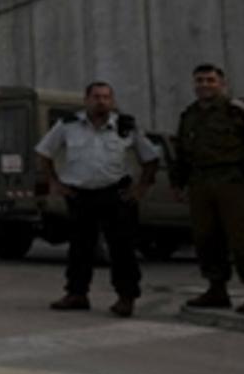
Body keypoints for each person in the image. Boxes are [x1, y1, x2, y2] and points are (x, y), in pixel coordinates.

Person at [34, 82, 160, 316]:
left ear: (112, 101)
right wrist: (55, 183)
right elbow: (44, 152)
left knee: (122, 248)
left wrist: (141, 188)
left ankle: (126, 297)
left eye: (106, 97)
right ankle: (76, 294)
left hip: (116, 195)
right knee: (79, 248)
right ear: (86, 100)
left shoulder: (126, 126)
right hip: (80, 195)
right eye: (96, 96)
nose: (101, 101)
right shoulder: (68, 125)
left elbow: (150, 158)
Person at [170, 64, 244, 315]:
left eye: (210, 80)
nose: (204, 85)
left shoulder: (238, 111)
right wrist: (178, 183)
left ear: (221, 84)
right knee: (206, 237)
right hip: (200, 183)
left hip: (233, 181)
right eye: (200, 80)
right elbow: (181, 153)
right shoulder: (190, 115)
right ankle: (216, 289)